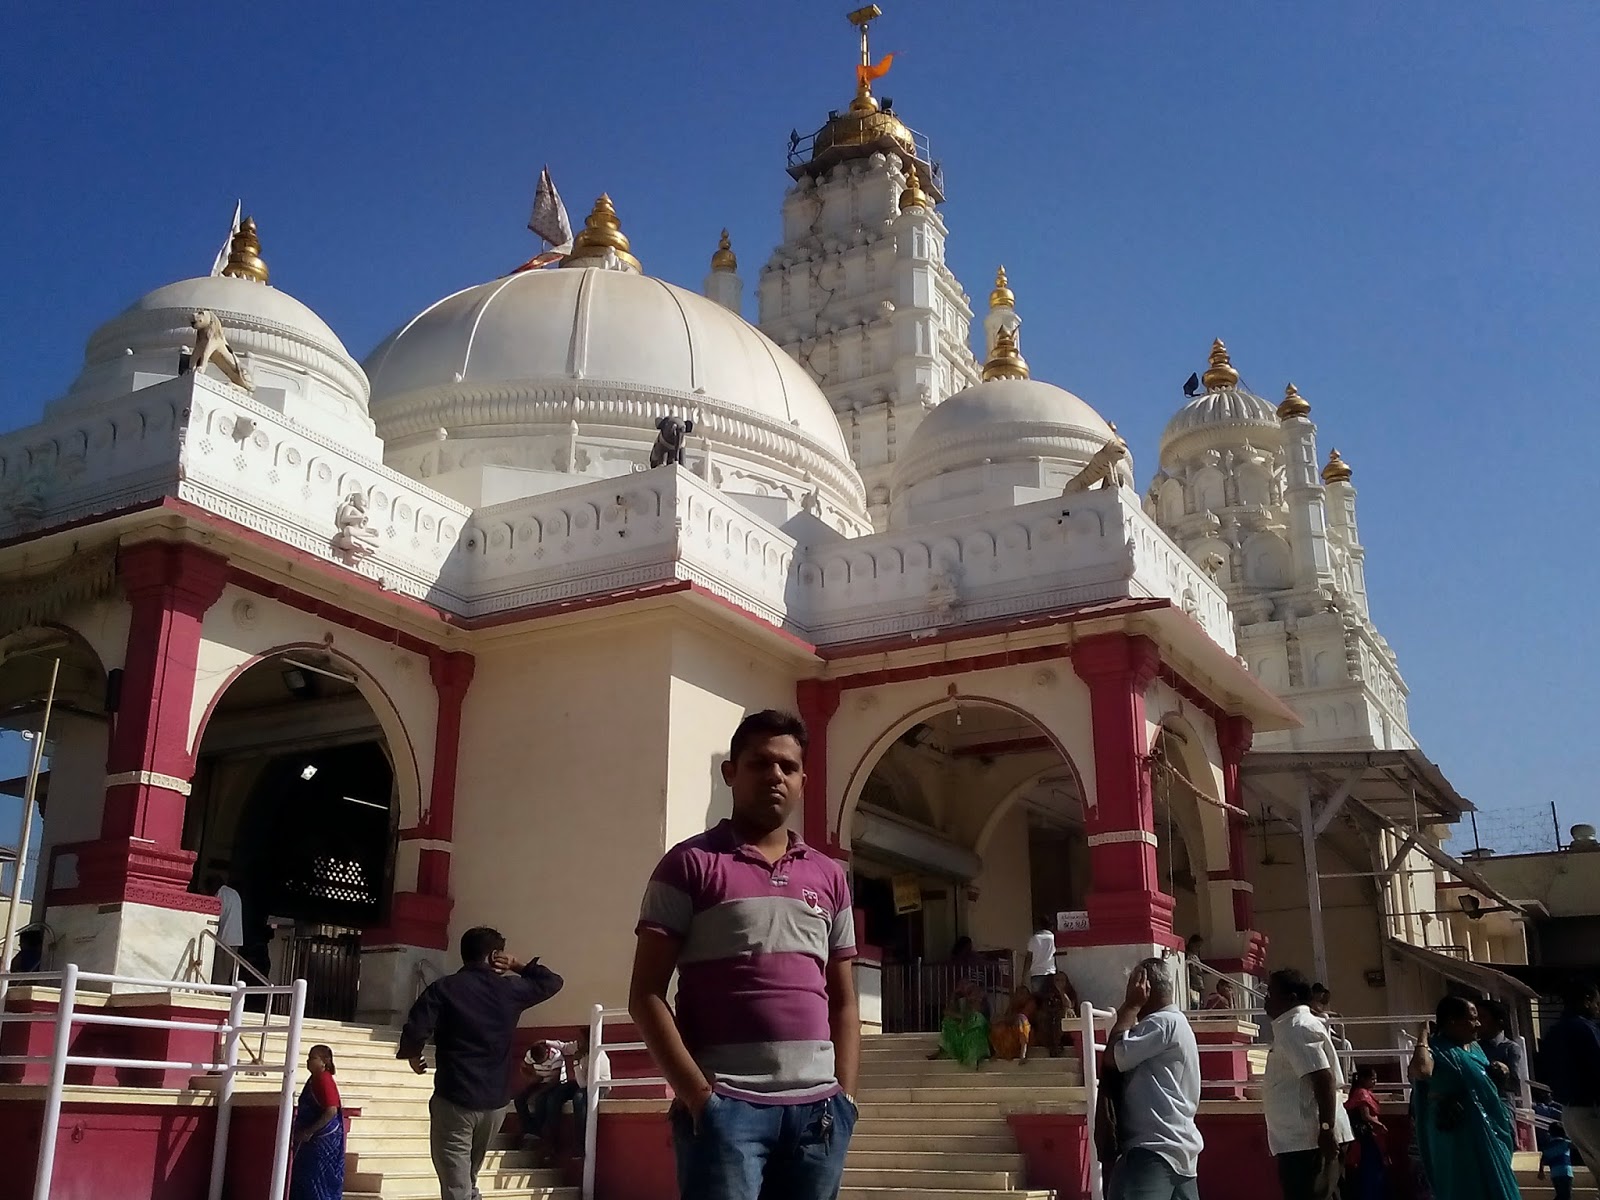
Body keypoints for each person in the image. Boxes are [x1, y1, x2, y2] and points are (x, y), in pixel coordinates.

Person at [629, 710, 859, 1200]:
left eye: (788, 767)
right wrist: (698, 1097)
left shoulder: (829, 876)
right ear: (730, 773)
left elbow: (843, 1000)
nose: (775, 775)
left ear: (802, 781)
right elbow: (646, 993)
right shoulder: (690, 865)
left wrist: (846, 1097)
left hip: (818, 1114)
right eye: (759, 763)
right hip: (727, 1110)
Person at [399, 927, 563, 1200]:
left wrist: (413, 1053)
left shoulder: (444, 988)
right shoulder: (510, 989)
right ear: (495, 956)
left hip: (455, 1097)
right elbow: (552, 982)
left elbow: (417, 1027)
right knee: (467, 1180)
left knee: (456, 1184)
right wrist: (518, 965)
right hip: (495, 1102)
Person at [1105, 958, 1203, 1200]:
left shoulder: (1162, 1023)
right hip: (1176, 1150)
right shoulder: (1177, 1023)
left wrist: (1130, 1007)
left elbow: (1113, 1057)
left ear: (1144, 987)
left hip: (1153, 1151)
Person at [1409, 994, 1520, 1200]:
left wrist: (1500, 1072)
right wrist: (1423, 1035)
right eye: (1472, 1018)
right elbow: (1422, 1071)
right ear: (1452, 1021)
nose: (1478, 1024)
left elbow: (1482, 1085)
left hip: (1491, 1131)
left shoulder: (1475, 1049)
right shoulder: (1437, 1048)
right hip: (1456, 1136)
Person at [1262, 968, 1352, 1200]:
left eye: (1271, 993)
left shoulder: (1297, 1028)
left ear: (1291, 998)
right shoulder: (1291, 1026)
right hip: (1300, 1142)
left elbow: (1323, 1078)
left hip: (1310, 1142)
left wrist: (1326, 1129)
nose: (1266, 999)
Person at [1538, 978, 1600, 1186]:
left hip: (1569, 1113)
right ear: (1587, 1000)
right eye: (1597, 1004)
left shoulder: (1553, 1032)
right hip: (1591, 1108)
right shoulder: (1586, 1029)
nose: (1598, 1009)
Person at [288, 1044, 344, 1200]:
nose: (308, 1061)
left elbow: (331, 1110)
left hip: (321, 1142)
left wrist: (310, 1131)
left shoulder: (323, 1079)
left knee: (317, 1181)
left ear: (323, 1062)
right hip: (311, 1142)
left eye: (312, 1058)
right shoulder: (314, 1079)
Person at [513, 1040, 575, 1163]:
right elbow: (523, 1067)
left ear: (547, 1053)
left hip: (555, 1085)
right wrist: (532, 1077)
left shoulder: (556, 1056)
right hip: (539, 1082)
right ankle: (530, 1131)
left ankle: (544, 1137)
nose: (540, 1063)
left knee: (541, 1101)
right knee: (519, 1100)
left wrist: (540, 1093)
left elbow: (555, 1079)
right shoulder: (531, 1054)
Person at [1342, 1065, 1387, 1200]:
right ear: (1363, 1079)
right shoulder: (1362, 1094)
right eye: (1372, 1079)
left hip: (1364, 1137)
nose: (1375, 1082)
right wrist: (1380, 1126)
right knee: (1370, 1169)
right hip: (1366, 1137)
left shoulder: (1360, 1092)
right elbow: (1365, 1116)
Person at [563, 1026, 609, 1151]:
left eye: (580, 1040)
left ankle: (581, 1142)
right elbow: (563, 1047)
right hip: (584, 1083)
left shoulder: (597, 1056)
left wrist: (576, 1063)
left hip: (599, 1087)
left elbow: (584, 1085)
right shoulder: (584, 1052)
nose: (578, 1043)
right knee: (558, 1092)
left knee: (578, 1098)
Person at [931, 978, 990, 1069]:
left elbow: (975, 1014)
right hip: (964, 1026)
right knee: (948, 1022)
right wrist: (954, 996)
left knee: (976, 1025)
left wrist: (962, 1015)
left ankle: (974, 1057)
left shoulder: (980, 997)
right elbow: (947, 1012)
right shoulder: (960, 998)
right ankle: (944, 1051)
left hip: (976, 1029)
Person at [1478, 999, 1523, 1104]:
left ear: (1498, 1021)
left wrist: (1500, 1074)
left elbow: (1515, 1084)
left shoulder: (1510, 1048)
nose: (1478, 1022)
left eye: (1483, 1017)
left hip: (1502, 1106)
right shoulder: (1474, 1046)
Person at [206, 872, 244, 984]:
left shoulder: (221, 894)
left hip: (224, 940)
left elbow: (216, 916)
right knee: (226, 975)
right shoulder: (233, 893)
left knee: (219, 977)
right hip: (235, 940)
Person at [990, 985, 1034, 1063]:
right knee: (997, 1027)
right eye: (1018, 993)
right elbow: (1008, 1019)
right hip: (1014, 1033)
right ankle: (999, 1052)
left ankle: (1023, 1054)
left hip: (1028, 1034)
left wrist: (1005, 1019)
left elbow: (1021, 1018)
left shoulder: (1031, 1004)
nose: (1020, 996)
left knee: (1022, 1019)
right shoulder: (1013, 1005)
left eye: (1022, 993)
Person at [1540, 1122, 1576, 1200]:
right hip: (1566, 1173)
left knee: (1561, 1194)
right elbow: (1577, 1145)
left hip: (1555, 1174)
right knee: (1566, 1195)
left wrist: (1541, 1171)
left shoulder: (1548, 1146)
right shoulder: (1565, 1143)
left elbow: (1543, 1159)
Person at [1027, 917, 1058, 1001]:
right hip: (1051, 972)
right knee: (1051, 999)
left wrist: (1024, 975)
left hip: (1036, 973)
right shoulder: (1053, 938)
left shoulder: (1034, 938)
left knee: (1037, 1001)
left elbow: (1029, 957)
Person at [1185, 935, 1205, 1009]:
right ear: (1192, 944)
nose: (1198, 948)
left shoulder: (1195, 957)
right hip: (1192, 986)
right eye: (1197, 946)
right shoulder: (1189, 956)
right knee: (1194, 1005)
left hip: (1197, 987)